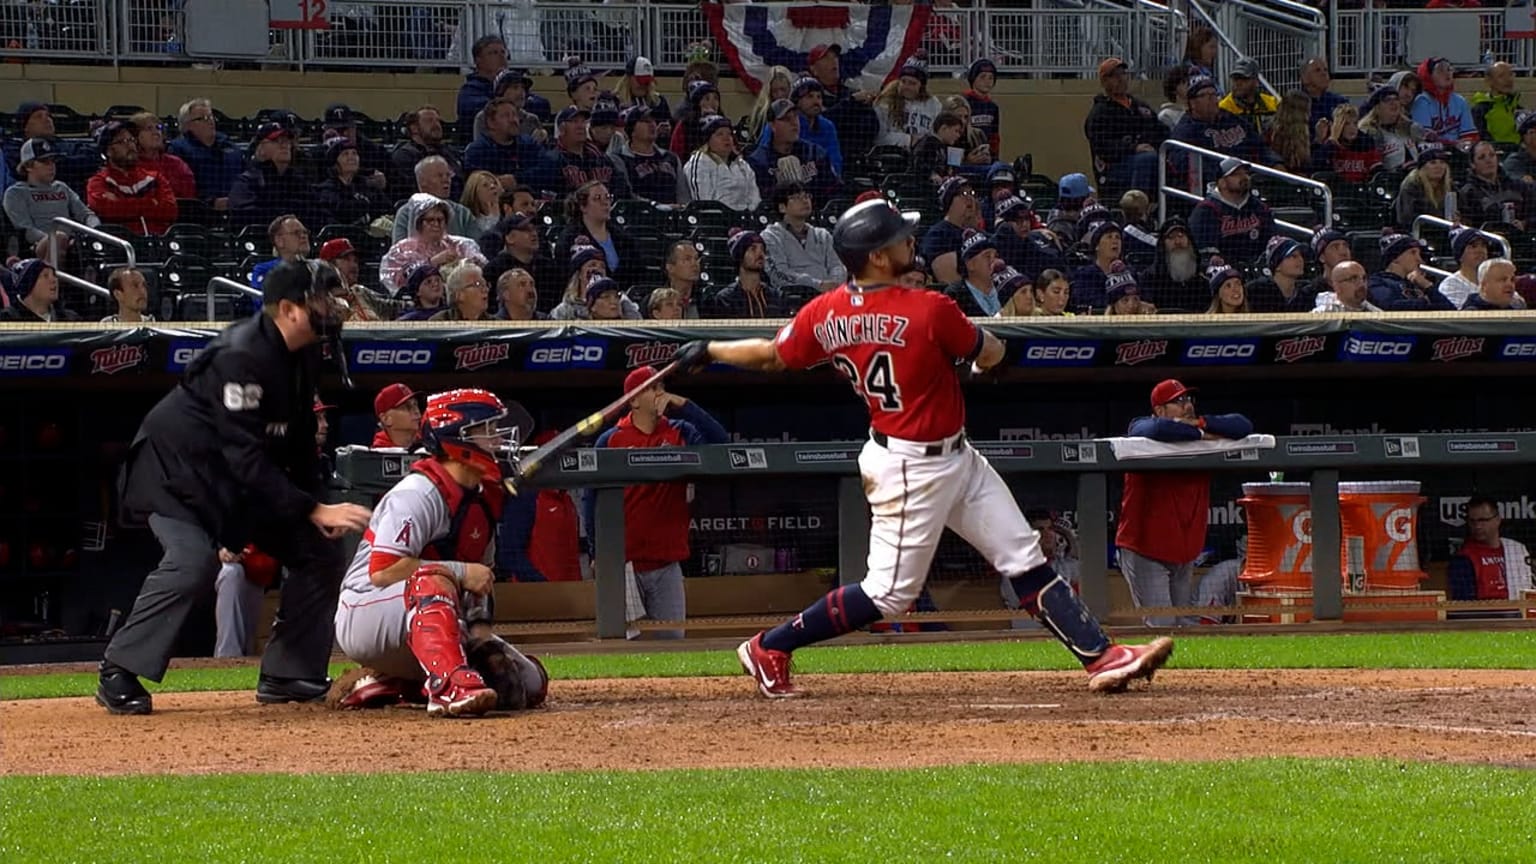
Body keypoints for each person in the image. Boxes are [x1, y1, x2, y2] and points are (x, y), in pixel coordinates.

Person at [675, 198, 1175, 697]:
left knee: (1022, 554)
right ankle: (769, 646)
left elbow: (770, 356)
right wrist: (981, 366)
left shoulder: (824, 312)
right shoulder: (929, 308)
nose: (909, 242)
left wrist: (711, 349)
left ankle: (1102, 657)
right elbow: (995, 353)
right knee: (889, 595)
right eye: (899, 238)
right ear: (875, 256)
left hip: (953, 457)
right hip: (910, 466)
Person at [96, 261, 372, 715]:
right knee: (193, 562)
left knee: (319, 551)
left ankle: (288, 672)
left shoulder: (302, 352)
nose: (331, 308)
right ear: (289, 309)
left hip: (235, 481)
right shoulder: (241, 356)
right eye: (320, 299)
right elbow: (242, 457)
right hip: (178, 474)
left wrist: (316, 504)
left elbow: (299, 439)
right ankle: (118, 669)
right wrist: (312, 508)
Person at [332, 388, 548, 716]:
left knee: (528, 684)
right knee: (435, 578)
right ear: (458, 439)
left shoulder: (483, 498)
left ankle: (398, 684)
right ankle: (449, 687)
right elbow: (383, 570)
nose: (498, 440)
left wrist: (480, 638)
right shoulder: (418, 492)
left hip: (426, 618)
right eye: (487, 430)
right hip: (365, 612)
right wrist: (460, 571)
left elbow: (478, 585)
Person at [589, 367, 729, 639]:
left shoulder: (681, 431)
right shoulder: (611, 439)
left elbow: (721, 443)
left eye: (662, 387)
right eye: (652, 388)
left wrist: (684, 404)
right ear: (633, 400)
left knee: (674, 641)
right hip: (624, 564)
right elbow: (591, 499)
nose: (660, 393)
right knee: (624, 644)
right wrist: (597, 553)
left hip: (667, 565)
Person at [1117, 379, 1253, 627]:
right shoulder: (1142, 427)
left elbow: (1243, 425)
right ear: (1160, 410)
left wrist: (1199, 424)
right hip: (1145, 549)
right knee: (1163, 624)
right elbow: (1154, 430)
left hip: (1183, 550)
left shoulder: (1198, 428)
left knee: (1180, 624)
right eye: (1178, 401)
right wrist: (1202, 433)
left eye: (1189, 399)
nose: (1187, 405)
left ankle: (1182, 669)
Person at [3, 137, 98, 261]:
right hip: (36, 247)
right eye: (45, 162)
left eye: (53, 161)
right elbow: (26, 231)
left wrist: (95, 230)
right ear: (28, 166)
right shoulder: (15, 192)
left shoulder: (61, 187)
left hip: (73, 245)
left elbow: (86, 214)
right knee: (58, 239)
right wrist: (58, 240)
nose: (51, 166)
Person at [1084, 56, 1166, 195]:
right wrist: (1134, 148)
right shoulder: (1100, 112)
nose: (1121, 79)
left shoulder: (1139, 106)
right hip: (1115, 169)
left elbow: (1160, 130)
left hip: (1146, 158)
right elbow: (1104, 147)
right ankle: (1138, 208)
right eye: (1114, 76)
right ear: (1104, 81)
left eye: (1123, 74)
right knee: (1146, 160)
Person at [86, 120, 178, 235]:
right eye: (122, 141)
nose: (130, 145)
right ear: (109, 151)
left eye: (131, 140)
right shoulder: (98, 182)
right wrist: (152, 202)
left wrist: (122, 203)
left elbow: (170, 210)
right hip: (120, 246)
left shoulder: (155, 177)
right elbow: (106, 210)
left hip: (159, 244)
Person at [380, 195, 486, 296]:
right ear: (419, 223)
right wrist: (432, 262)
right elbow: (400, 280)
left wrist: (473, 263)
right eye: (430, 220)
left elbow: (481, 265)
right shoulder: (402, 249)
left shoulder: (461, 244)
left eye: (440, 220)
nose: (436, 224)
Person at [747, 99, 841, 204]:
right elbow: (761, 201)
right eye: (787, 119)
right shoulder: (759, 161)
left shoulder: (815, 153)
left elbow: (834, 191)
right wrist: (783, 188)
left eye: (796, 116)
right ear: (772, 125)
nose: (794, 123)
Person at [762, 182, 845, 299]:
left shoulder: (823, 234)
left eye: (806, 196)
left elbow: (837, 265)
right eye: (796, 198)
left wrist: (835, 284)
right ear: (782, 207)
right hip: (795, 296)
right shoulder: (770, 236)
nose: (805, 201)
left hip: (830, 295)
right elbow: (779, 273)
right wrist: (817, 285)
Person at [1447, 497, 1534, 608]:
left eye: (1483, 520)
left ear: (1497, 519)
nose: (1477, 526)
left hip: (1519, 612)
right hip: (1485, 616)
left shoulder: (1516, 549)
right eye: (1472, 521)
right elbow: (1464, 604)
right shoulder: (1463, 558)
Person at [1189, 158, 1274, 266]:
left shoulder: (1259, 207)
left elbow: (1271, 239)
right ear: (1222, 182)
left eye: (1246, 173)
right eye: (1236, 174)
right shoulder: (1206, 210)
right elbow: (1204, 251)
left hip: (1257, 269)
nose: (1244, 178)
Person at [228, 123, 313, 229]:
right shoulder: (247, 182)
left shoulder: (300, 182)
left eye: (287, 141)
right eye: (276, 141)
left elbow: (317, 214)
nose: (284, 145)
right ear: (261, 147)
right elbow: (244, 217)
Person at [483, 213, 561, 311]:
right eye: (526, 230)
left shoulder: (549, 268)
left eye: (534, 229)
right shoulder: (494, 270)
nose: (534, 234)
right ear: (510, 238)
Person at [684, 115, 760, 212]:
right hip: (715, 222)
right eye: (720, 134)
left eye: (729, 134)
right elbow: (703, 204)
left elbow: (755, 198)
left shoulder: (742, 165)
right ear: (707, 139)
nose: (727, 138)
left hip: (745, 221)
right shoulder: (700, 163)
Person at [707, 229, 789, 318]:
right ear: (740, 256)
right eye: (753, 249)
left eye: (762, 249)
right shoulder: (726, 299)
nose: (760, 254)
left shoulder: (776, 296)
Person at [614, 105, 684, 206]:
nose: (652, 124)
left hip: (674, 218)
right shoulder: (620, 159)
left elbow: (683, 195)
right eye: (645, 121)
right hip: (640, 218)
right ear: (631, 129)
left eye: (653, 120)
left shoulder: (671, 158)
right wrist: (659, 207)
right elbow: (627, 196)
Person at [1369, 233, 1454, 311]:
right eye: (1413, 253)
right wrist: (1427, 303)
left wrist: (1428, 286)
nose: (1419, 259)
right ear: (1395, 258)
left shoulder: (1419, 284)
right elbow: (1389, 306)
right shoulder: (1378, 282)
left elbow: (1450, 310)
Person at [315, 138, 390, 227]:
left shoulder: (366, 186)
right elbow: (342, 213)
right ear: (335, 163)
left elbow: (386, 208)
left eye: (354, 153)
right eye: (345, 154)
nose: (351, 157)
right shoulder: (326, 191)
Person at [920, 176, 979, 285]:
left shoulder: (979, 234)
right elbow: (950, 282)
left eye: (972, 193)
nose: (970, 198)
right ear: (949, 202)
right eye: (964, 194)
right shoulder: (938, 235)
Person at [1460, 140, 1532, 229]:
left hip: (1522, 238)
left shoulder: (1518, 186)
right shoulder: (1468, 192)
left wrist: (1525, 223)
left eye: (1492, 155)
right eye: (1482, 157)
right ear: (1472, 164)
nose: (1488, 160)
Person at [1138, 217, 1204, 311]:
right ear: (1163, 244)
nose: (1177, 242)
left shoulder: (1202, 280)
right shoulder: (1149, 279)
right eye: (1171, 237)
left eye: (1181, 236)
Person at [1358, 86, 1428, 173]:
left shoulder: (1411, 128)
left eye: (1396, 99)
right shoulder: (1369, 132)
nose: (1393, 103)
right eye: (1387, 100)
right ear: (1377, 107)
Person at [129, 111, 195, 200]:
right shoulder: (128, 165)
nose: (156, 132)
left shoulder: (176, 164)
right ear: (135, 136)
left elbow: (189, 200)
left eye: (158, 128)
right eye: (149, 128)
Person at [1411, 57, 1477, 144]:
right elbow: (1424, 137)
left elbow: (1470, 135)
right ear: (1428, 75)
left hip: (1459, 152)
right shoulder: (1422, 101)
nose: (1447, 73)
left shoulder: (1460, 101)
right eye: (1440, 70)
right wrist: (1453, 144)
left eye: (1449, 69)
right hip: (1431, 152)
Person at [1246, 236, 1317, 313]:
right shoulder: (1257, 293)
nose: (1300, 260)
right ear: (1277, 265)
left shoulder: (1308, 294)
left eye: (1301, 255)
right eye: (1293, 256)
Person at [945, 230, 1004, 316]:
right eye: (987, 256)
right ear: (970, 264)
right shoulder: (955, 295)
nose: (994, 261)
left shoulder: (1005, 288)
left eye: (995, 256)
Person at [0, 258, 78, 322]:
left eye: (54, 275)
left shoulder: (69, 319)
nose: (54, 280)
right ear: (29, 284)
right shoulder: (7, 319)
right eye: (45, 276)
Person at [1394, 147, 1457, 226]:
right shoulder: (1412, 186)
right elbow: (1409, 218)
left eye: (1442, 162)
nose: (1439, 166)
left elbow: (1464, 211)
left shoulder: (1451, 186)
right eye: (1433, 162)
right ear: (1422, 167)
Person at [1438, 226, 1496, 309]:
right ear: (1460, 255)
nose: (1480, 251)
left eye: (1483, 246)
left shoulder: (1494, 281)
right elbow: (1461, 318)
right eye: (1473, 246)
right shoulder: (1451, 285)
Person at [1219, 58, 1278, 138]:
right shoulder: (1223, 108)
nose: (1238, 83)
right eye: (1235, 79)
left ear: (1256, 81)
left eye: (1244, 79)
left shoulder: (1272, 104)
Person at [249, 214, 310, 291]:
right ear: (279, 241)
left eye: (305, 232)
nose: (303, 236)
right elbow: (261, 300)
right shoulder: (266, 270)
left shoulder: (318, 269)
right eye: (296, 233)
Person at [1470, 62, 1522, 145]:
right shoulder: (1481, 108)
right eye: (1501, 76)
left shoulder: (1516, 107)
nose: (1508, 80)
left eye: (1510, 75)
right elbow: (1482, 137)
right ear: (1489, 81)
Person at [963, 57, 1001, 157]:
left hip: (986, 156)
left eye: (991, 78)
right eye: (982, 77)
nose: (987, 81)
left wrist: (994, 157)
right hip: (966, 157)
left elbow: (994, 136)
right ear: (973, 79)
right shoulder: (963, 102)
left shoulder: (993, 107)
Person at [429, 263, 494, 321]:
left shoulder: (497, 325)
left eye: (485, 285)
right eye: (478, 284)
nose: (486, 290)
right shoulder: (439, 323)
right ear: (459, 295)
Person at [1312, 261, 1380, 313]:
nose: (1362, 284)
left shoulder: (1376, 313)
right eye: (1353, 279)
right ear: (1337, 286)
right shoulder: (1321, 315)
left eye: (1364, 278)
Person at [372, 383, 421, 448]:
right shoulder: (374, 456)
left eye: (415, 405)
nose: (416, 411)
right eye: (406, 407)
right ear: (386, 419)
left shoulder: (432, 449)